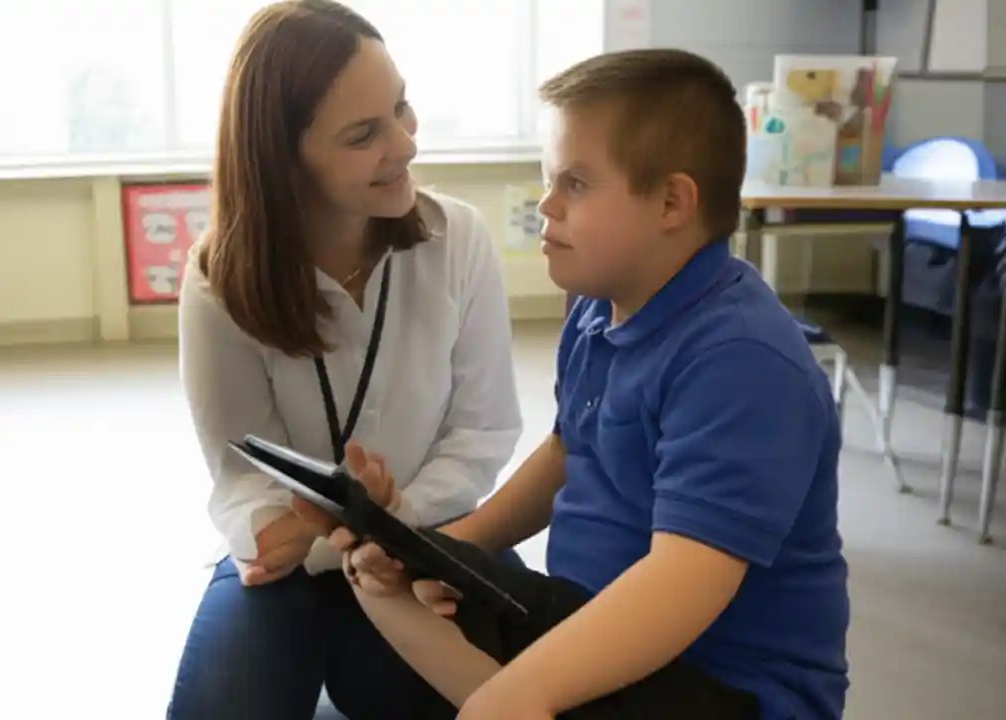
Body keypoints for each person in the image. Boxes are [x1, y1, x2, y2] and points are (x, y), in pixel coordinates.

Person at [298, 48, 851, 719]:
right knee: (378, 605)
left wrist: (527, 689)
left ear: (672, 201)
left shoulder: (742, 360)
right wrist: (451, 549)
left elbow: (681, 585)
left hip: (721, 683)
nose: (546, 205)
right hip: (587, 614)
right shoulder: (598, 305)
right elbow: (568, 453)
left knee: (464, 664)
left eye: (575, 184)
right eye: (547, 180)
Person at [167, 1, 523, 718]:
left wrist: (390, 523)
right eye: (365, 134)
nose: (406, 146)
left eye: (402, 108)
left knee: (442, 690)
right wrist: (322, 537)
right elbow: (244, 482)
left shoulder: (459, 241)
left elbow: (483, 434)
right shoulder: (219, 279)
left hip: (433, 542)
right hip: (288, 569)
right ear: (283, 159)